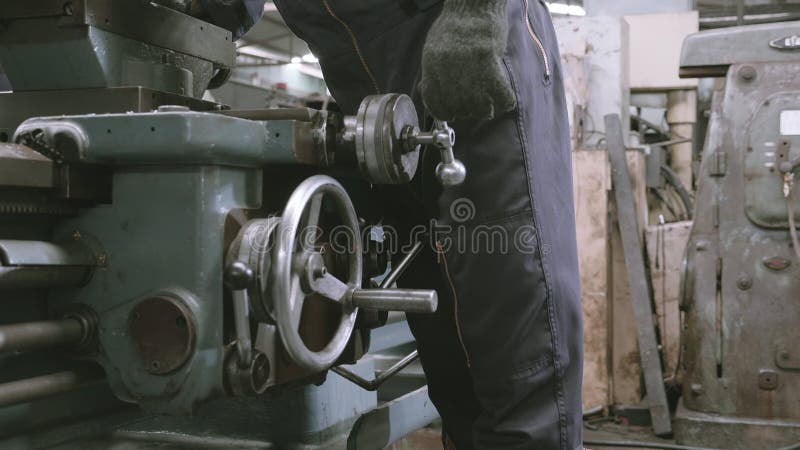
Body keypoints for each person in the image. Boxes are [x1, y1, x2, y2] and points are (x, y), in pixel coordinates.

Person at [199, 1, 584, 448]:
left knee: (517, 338)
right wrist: (200, 25)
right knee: (450, 355)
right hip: (367, 93)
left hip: (473, 47)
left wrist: (474, 19)